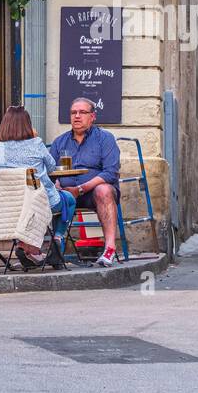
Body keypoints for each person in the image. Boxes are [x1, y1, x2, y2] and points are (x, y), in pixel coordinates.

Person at [0, 105, 74, 271]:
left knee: (32, 208)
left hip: (10, 206)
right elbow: (51, 168)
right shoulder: (36, 143)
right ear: (27, 125)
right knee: (68, 199)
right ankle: (57, 241)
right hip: (38, 204)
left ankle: (25, 246)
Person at [49, 97, 121, 267]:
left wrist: (81, 189)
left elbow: (111, 172)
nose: (77, 116)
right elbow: (49, 172)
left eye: (82, 112)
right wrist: (55, 183)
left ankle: (109, 248)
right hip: (66, 194)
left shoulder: (105, 138)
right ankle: (41, 249)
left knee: (104, 190)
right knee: (43, 193)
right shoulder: (60, 142)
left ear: (92, 117)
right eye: (74, 112)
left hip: (94, 192)